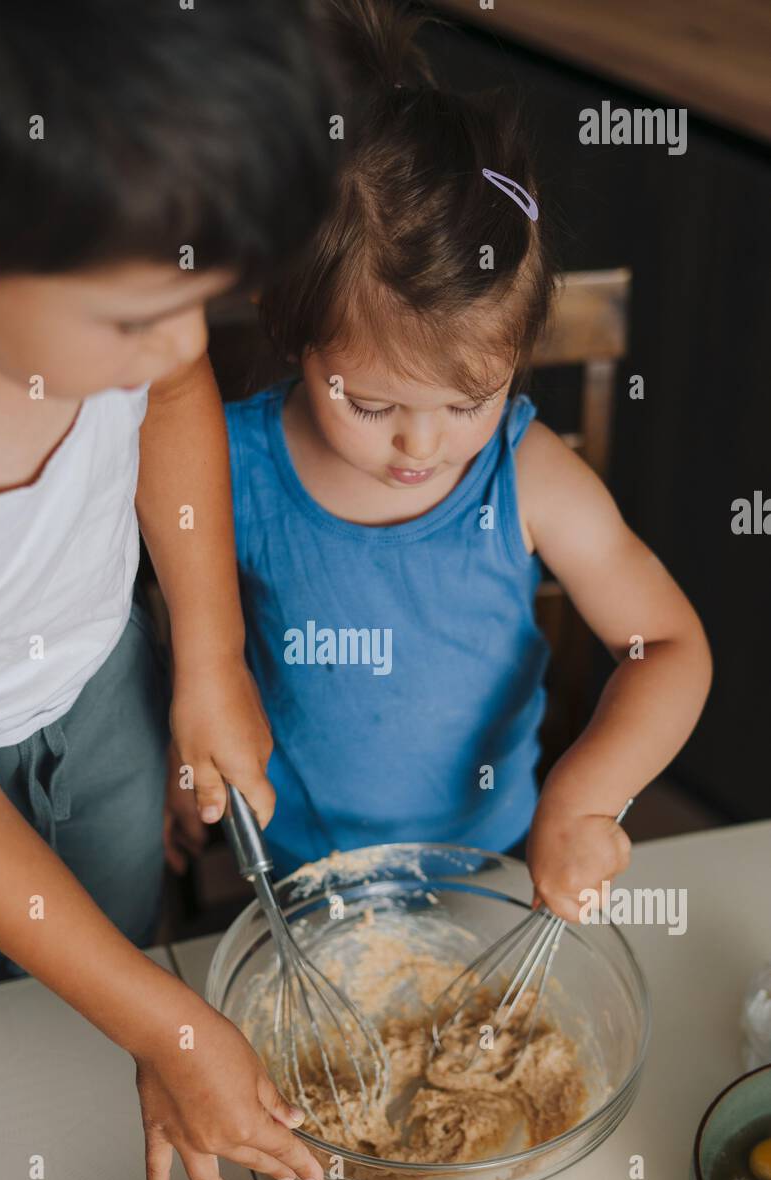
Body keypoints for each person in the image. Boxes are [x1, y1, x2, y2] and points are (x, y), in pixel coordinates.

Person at [0, 0, 340, 1180]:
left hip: (100, 701)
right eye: (137, 314)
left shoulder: (130, 320)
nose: (179, 343)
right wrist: (180, 1033)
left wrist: (207, 651)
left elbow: (179, 397)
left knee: (97, 975)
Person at [224, 0, 712, 920]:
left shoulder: (525, 479)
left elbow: (672, 647)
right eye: (372, 404)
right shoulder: (231, 466)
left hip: (490, 867)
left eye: (469, 403)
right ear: (292, 331)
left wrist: (587, 796)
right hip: (291, 881)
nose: (421, 444)